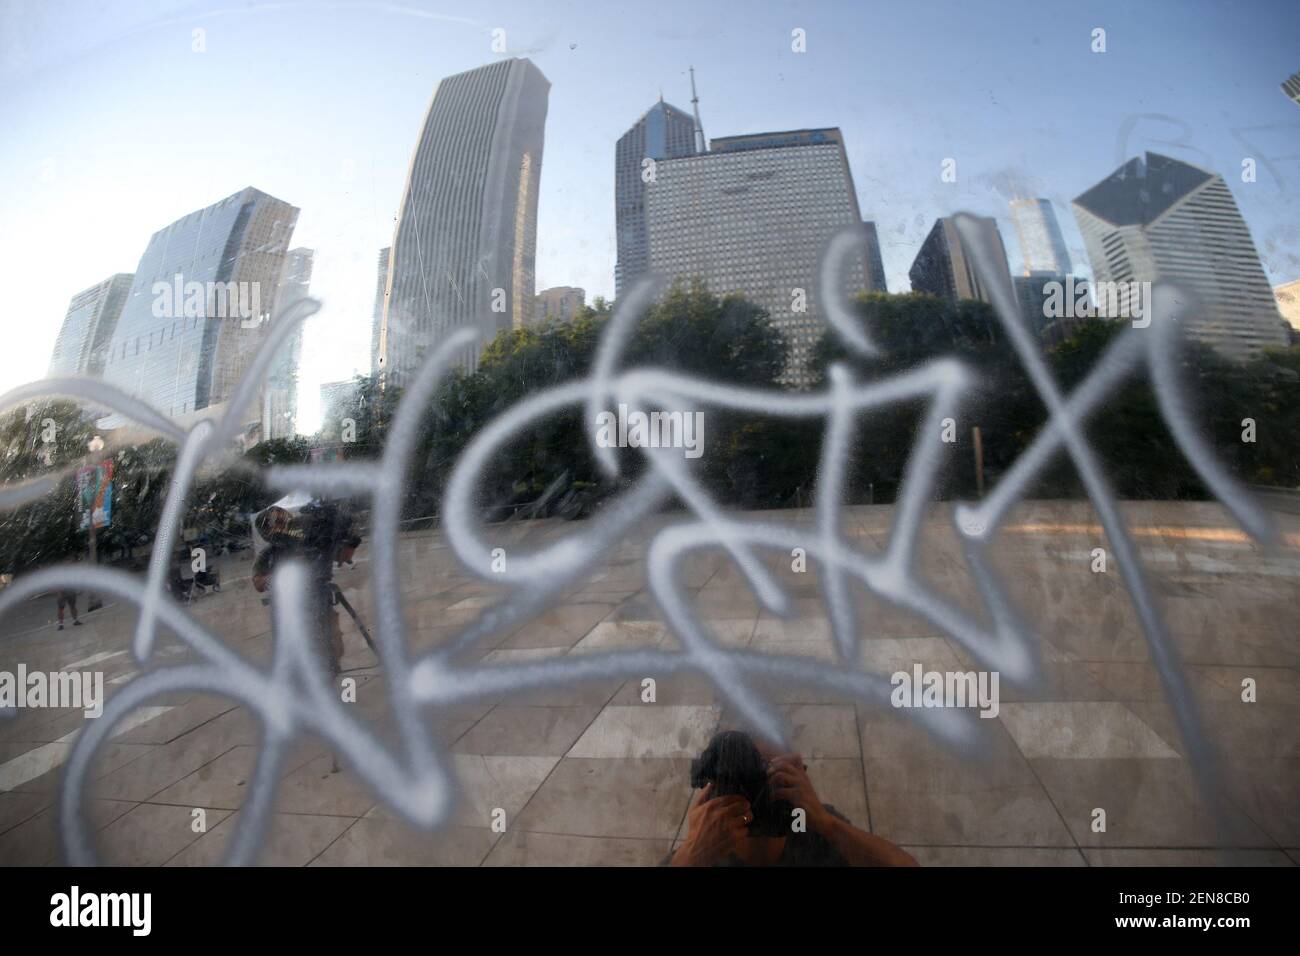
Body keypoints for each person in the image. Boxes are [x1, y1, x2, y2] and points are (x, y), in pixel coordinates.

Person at [667, 730, 918, 867]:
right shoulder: (708, 845)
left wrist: (828, 824)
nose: (756, 790)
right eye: (746, 774)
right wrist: (692, 854)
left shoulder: (813, 826)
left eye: (769, 772)